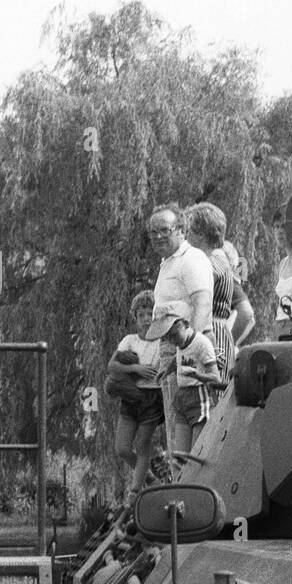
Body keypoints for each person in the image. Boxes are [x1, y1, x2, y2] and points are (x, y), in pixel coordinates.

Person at [149, 205, 213, 459]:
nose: (157, 237)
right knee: (177, 432)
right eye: (153, 232)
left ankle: (191, 489)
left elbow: (202, 303)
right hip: (172, 351)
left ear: (182, 230)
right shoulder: (169, 263)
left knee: (191, 429)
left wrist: (191, 352)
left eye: (164, 230)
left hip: (185, 350)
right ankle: (180, 488)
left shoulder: (191, 259)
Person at [108, 290, 164, 499]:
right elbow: (112, 366)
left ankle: (134, 492)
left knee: (142, 445)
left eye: (150, 314)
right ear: (135, 318)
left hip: (152, 397)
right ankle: (149, 478)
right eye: (142, 315)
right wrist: (135, 369)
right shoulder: (129, 341)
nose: (146, 319)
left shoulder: (162, 340)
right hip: (131, 396)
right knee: (122, 448)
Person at [146, 305, 222, 452]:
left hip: (199, 398)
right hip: (182, 399)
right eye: (168, 337)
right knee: (181, 455)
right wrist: (167, 371)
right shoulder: (180, 344)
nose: (173, 341)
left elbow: (216, 379)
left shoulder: (201, 344)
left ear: (186, 324)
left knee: (197, 452)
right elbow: (180, 359)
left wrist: (197, 375)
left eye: (174, 335)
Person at [185, 202, 236, 394]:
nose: (186, 236)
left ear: (200, 233)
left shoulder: (213, 260)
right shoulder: (212, 258)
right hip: (209, 331)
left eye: (188, 231)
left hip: (212, 331)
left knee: (211, 396)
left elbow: (198, 295)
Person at [223, 239, 256, 346]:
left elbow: (247, 314)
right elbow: (251, 321)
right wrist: (233, 344)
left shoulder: (227, 282)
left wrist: (227, 344)